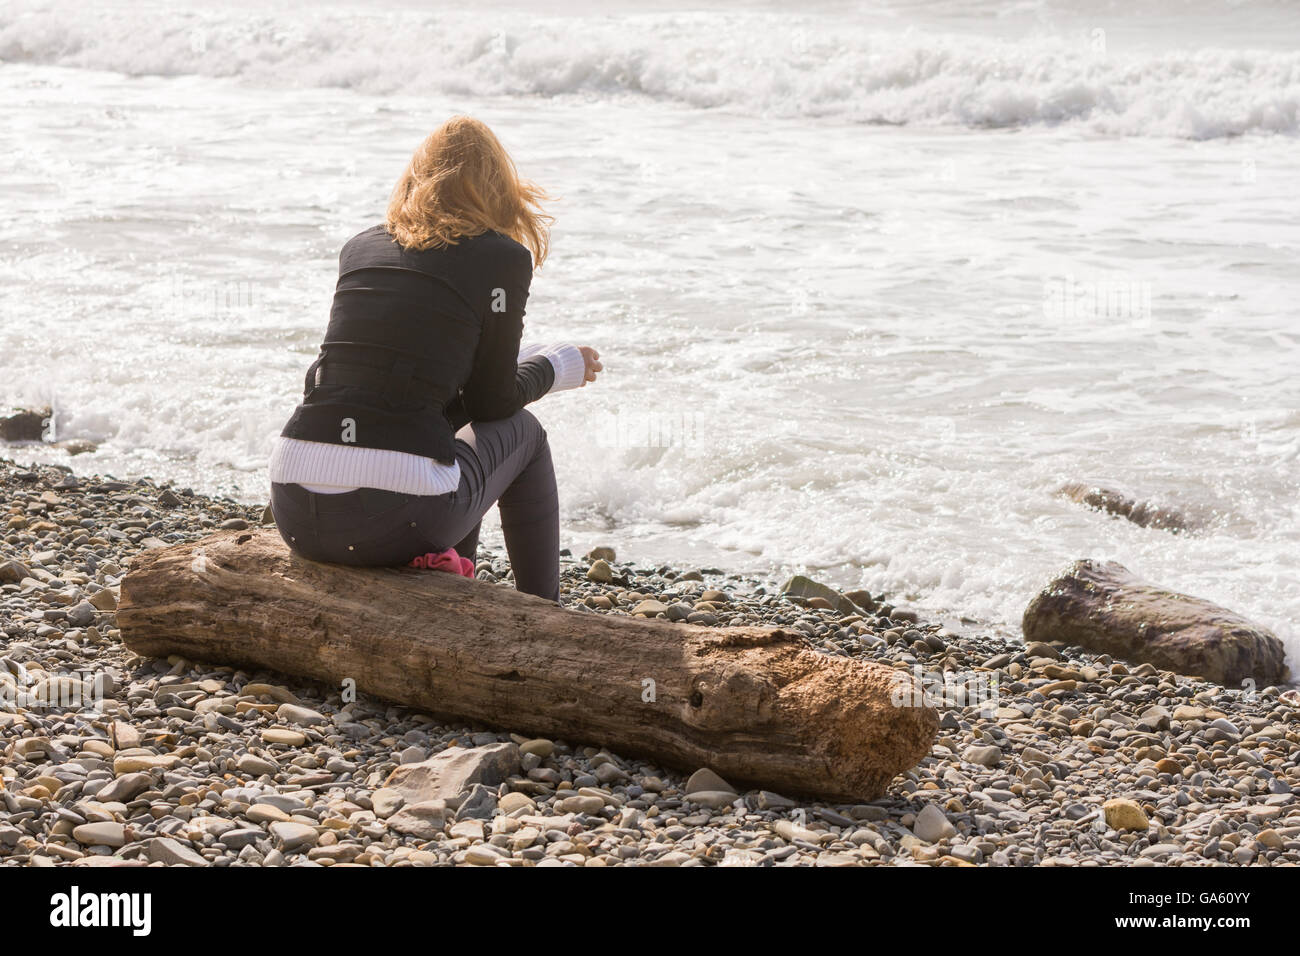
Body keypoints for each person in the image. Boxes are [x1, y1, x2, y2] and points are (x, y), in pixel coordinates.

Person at [267, 116, 600, 603]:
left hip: (295, 509)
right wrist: (558, 367)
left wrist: (533, 358)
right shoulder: (502, 258)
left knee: (446, 429)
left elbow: (357, 376)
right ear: (498, 188)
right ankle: (545, 613)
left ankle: (452, 578)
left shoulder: (360, 247)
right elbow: (492, 401)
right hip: (402, 515)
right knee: (524, 433)